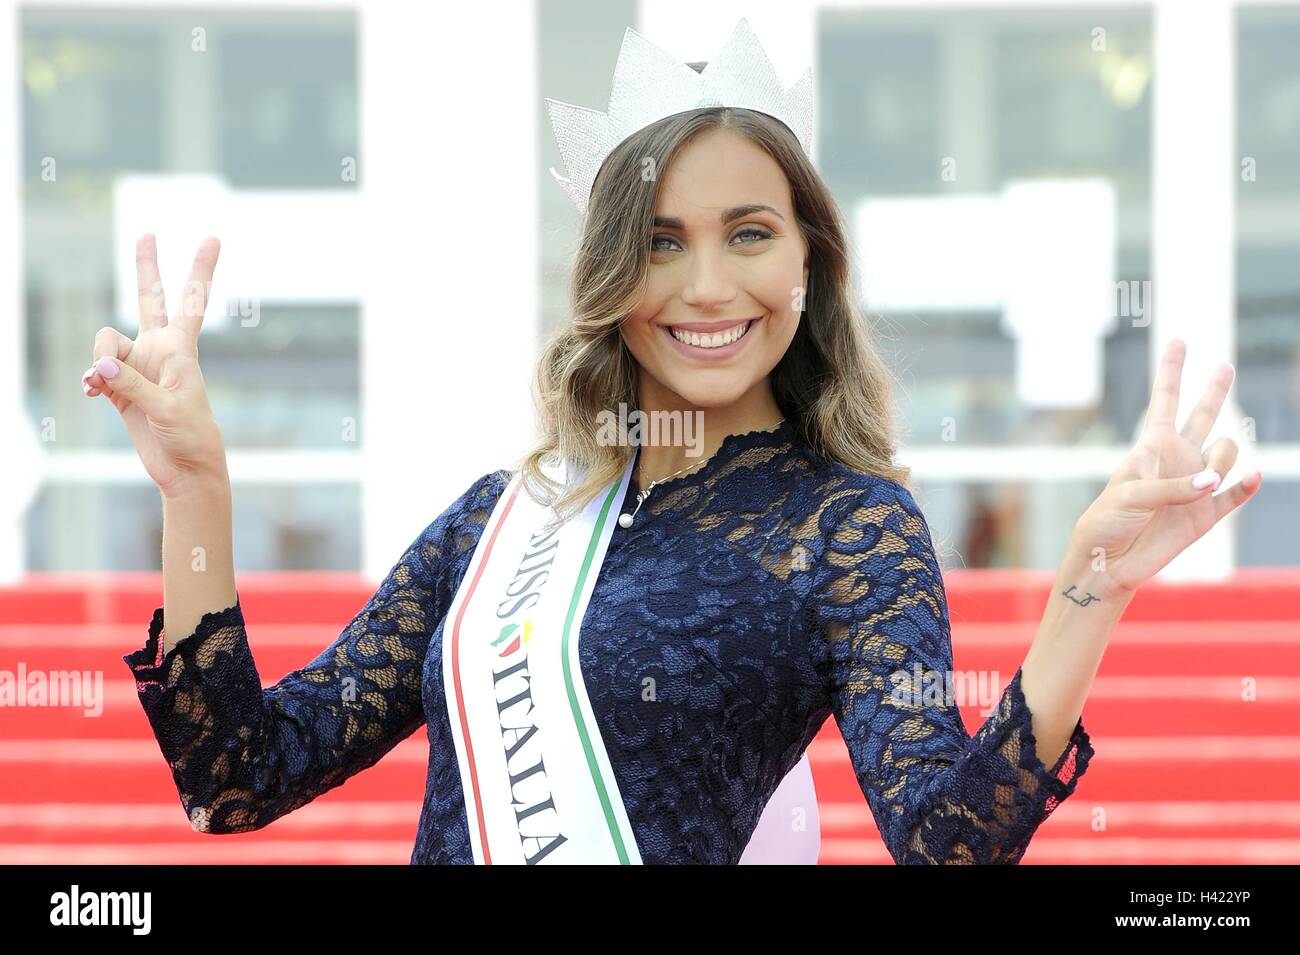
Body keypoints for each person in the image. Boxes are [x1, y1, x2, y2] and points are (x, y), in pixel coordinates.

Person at [86, 19, 1261, 864]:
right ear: (608, 275)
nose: (706, 285)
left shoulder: (843, 529)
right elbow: (237, 778)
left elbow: (944, 842)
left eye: (748, 232)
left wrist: (1085, 597)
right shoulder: (501, 518)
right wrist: (196, 489)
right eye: (658, 242)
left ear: (809, 259)